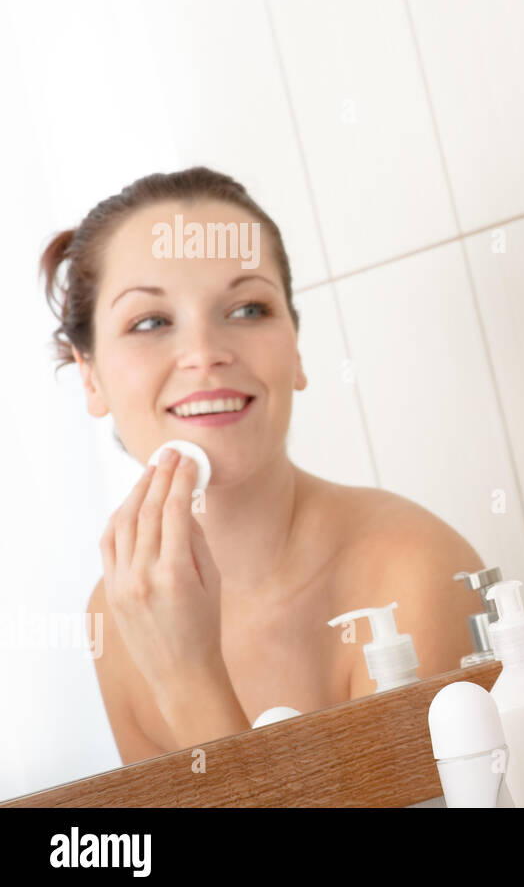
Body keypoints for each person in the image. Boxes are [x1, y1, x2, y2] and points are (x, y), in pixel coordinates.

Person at [39, 167, 484, 764]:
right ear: (91, 375)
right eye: (150, 322)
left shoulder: (412, 573)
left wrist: (186, 679)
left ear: (295, 349)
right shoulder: (120, 608)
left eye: (247, 309)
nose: (204, 354)